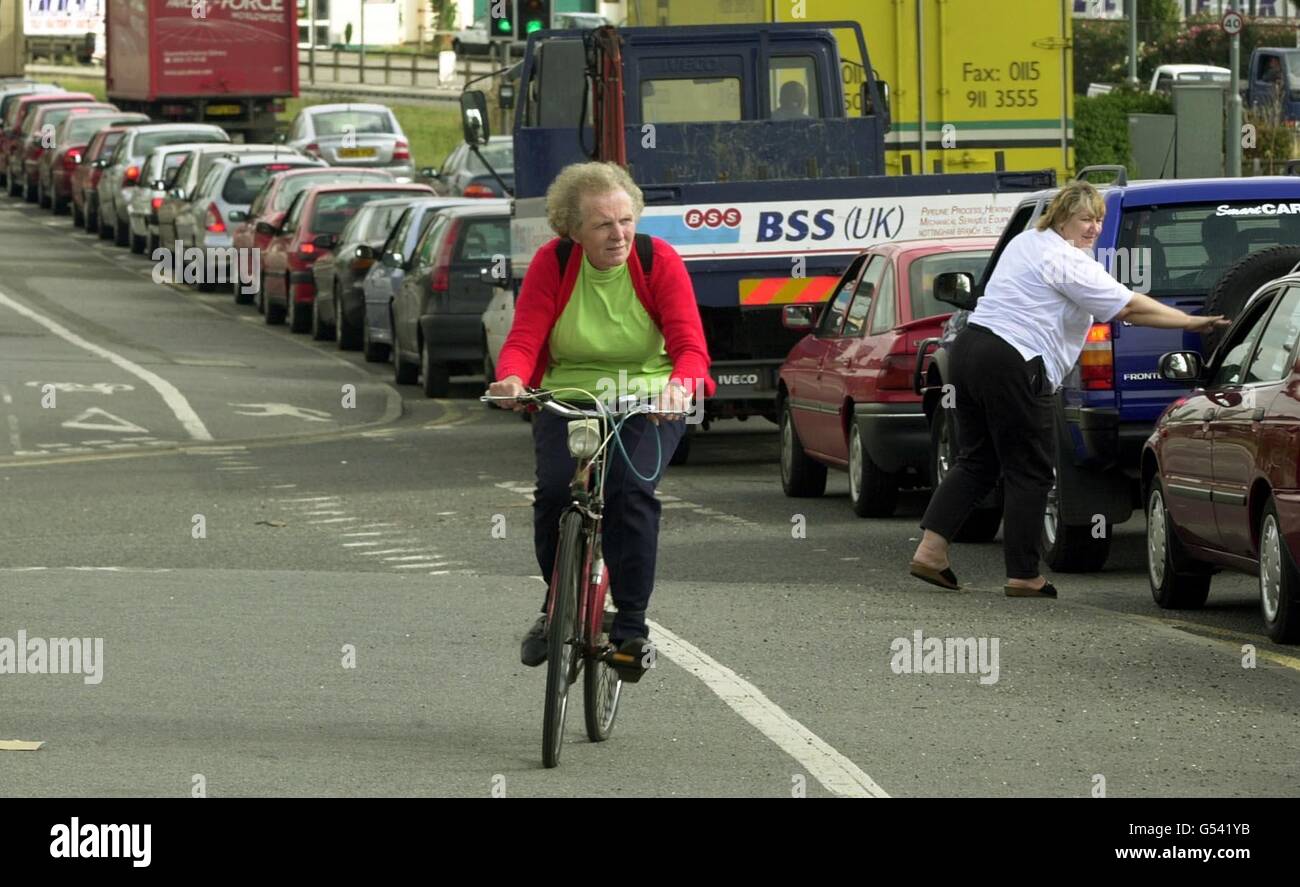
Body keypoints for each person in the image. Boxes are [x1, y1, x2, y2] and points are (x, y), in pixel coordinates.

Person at [909, 180, 1229, 598]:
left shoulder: (1027, 240)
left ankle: (931, 552)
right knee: (1032, 469)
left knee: (978, 460)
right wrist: (1190, 322)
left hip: (971, 349)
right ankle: (1024, 575)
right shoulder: (1066, 261)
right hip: (1012, 359)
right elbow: (1128, 306)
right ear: (1061, 218)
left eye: (1099, 219)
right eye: (1085, 219)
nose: (1094, 228)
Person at [487, 161, 715, 677]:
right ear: (572, 231)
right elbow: (525, 337)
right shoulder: (555, 261)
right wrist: (512, 380)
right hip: (570, 396)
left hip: (647, 401)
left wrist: (681, 388)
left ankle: (631, 626)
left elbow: (690, 348)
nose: (619, 234)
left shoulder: (659, 261)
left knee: (630, 493)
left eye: (626, 220)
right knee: (553, 496)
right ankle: (556, 607)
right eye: (603, 225)